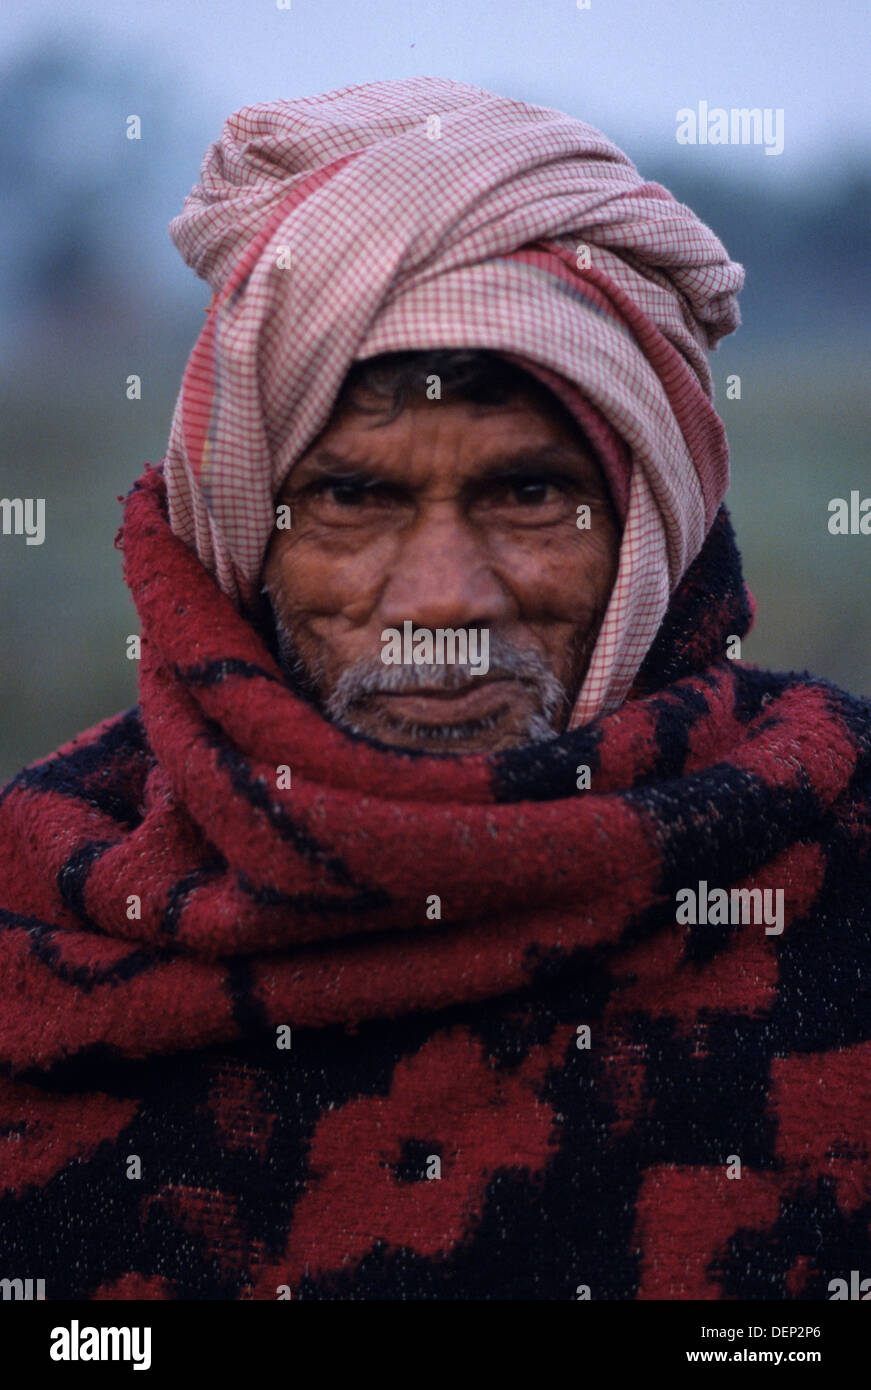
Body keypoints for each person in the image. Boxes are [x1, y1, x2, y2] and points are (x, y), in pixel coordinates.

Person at [1, 76, 869, 1302]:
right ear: (243, 534)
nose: (446, 598)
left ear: (646, 533)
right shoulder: (53, 900)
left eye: (527, 494)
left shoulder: (830, 841)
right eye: (356, 498)